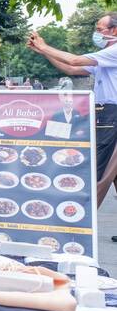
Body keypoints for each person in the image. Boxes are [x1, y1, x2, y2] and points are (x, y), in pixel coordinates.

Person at [28, 17, 117, 205]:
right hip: (106, 115)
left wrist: (45, 47)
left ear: (114, 30)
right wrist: (44, 52)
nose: (96, 33)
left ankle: (82, 214)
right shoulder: (104, 57)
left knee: (97, 170)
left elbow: (74, 60)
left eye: (100, 29)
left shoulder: (113, 52)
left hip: (111, 116)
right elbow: (71, 69)